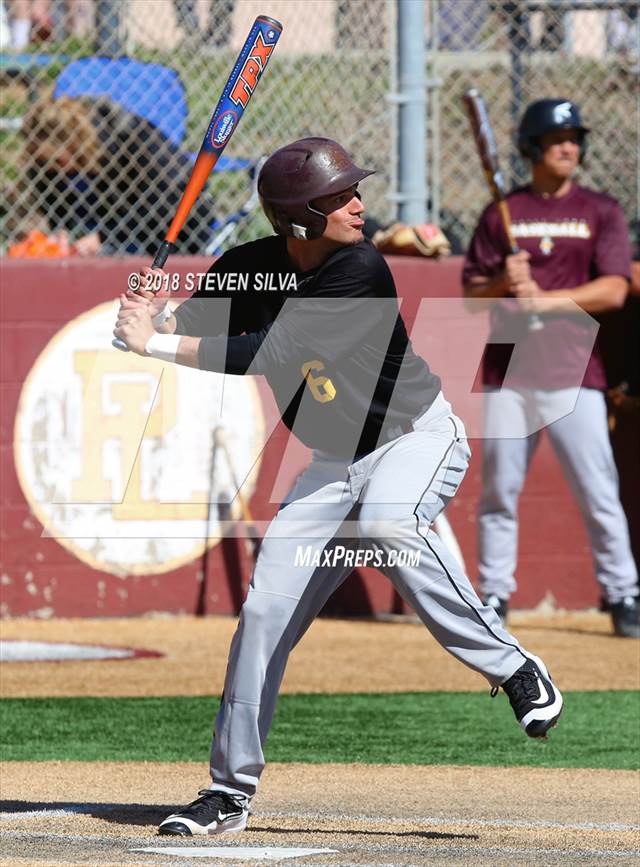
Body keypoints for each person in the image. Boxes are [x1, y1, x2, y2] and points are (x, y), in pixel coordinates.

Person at [114, 137, 563, 837]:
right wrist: (152, 312)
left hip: (413, 437)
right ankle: (228, 791)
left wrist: (153, 342)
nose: (358, 204)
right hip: (329, 464)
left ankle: (513, 667)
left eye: (354, 191)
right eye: (339, 197)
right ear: (297, 219)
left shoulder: (360, 268)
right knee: (263, 615)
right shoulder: (251, 269)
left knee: (389, 525)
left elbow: (268, 354)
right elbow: (194, 322)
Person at [463, 99, 639, 639]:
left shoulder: (600, 211)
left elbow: (615, 288)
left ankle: (623, 595)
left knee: (598, 489)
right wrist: (503, 282)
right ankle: (494, 594)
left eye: (576, 138)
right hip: (508, 374)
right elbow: (471, 296)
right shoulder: (502, 213)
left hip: (576, 372)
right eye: (559, 137)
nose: (571, 147)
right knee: (499, 491)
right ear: (533, 148)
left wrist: (549, 300)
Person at [6, 94, 215, 256]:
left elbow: (162, 198)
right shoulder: (47, 160)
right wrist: (60, 230)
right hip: (114, 223)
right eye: (46, 164)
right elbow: (52, 198)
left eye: (58, 162)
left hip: (173, 218)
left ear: (74, 145)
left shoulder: (128, 139)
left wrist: (102, 238)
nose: (55, 170)